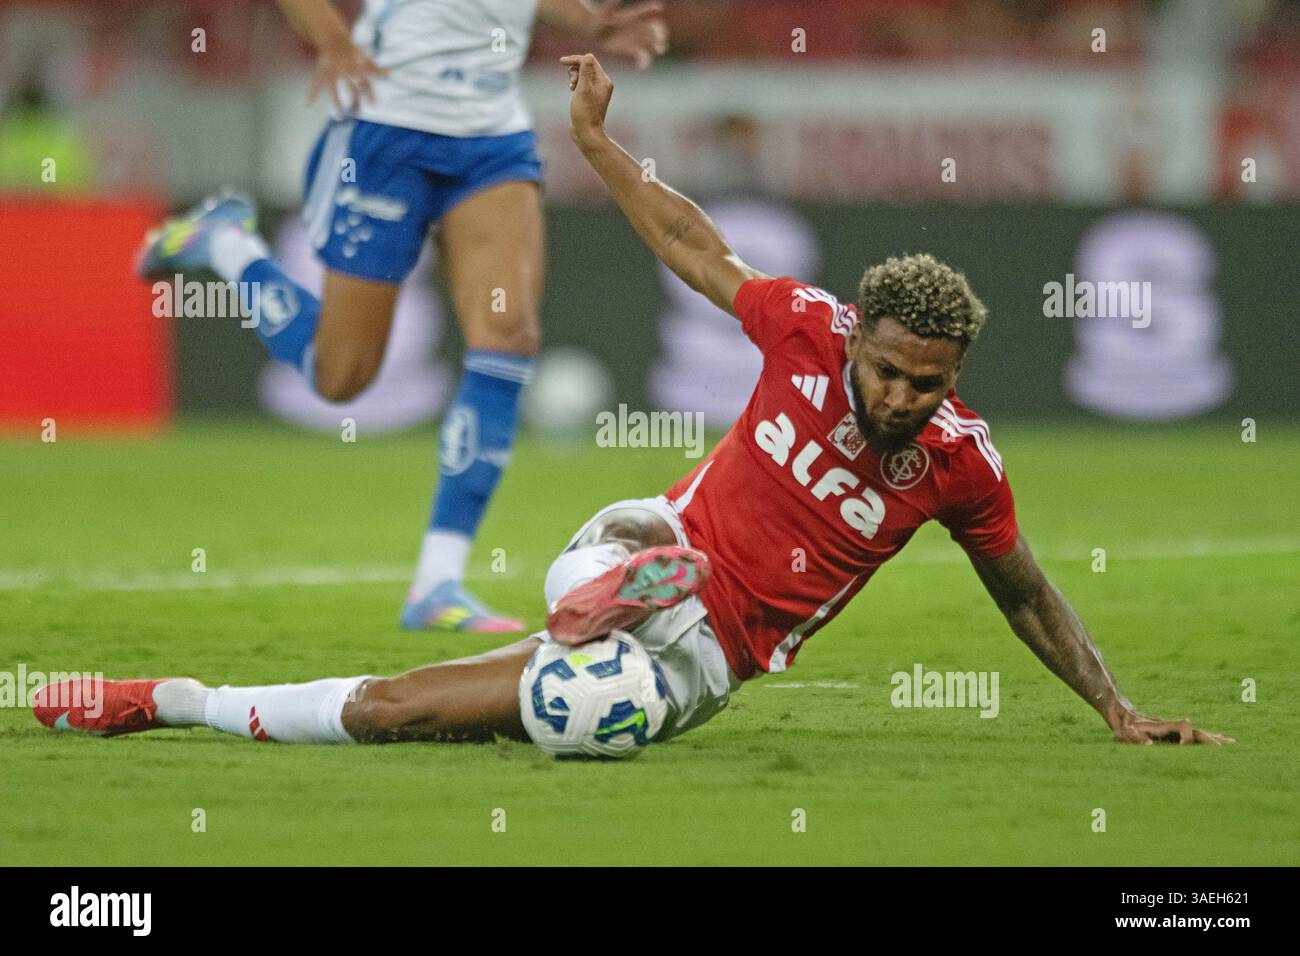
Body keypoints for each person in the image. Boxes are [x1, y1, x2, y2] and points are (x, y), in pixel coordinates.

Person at [44, 53, 1232, 749]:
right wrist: (599, 147)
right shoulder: (808, 332)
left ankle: (166, 700)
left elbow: (1024, 590)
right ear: (859, 338)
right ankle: (602, 592)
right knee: (609, 554)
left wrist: (1118, 710)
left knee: (424, 711)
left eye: (931, 383)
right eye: (891, 371)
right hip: (662, 546)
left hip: (708, 660)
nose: (905, 397)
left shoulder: (959, 465)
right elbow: (695, 242)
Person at [134, 1, 668, 634]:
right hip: (388, 130)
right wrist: (332, 40)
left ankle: (437, 584)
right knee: (341, 377)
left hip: (491, 139)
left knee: (509, 335)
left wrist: (592, 21)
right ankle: (227, 244)